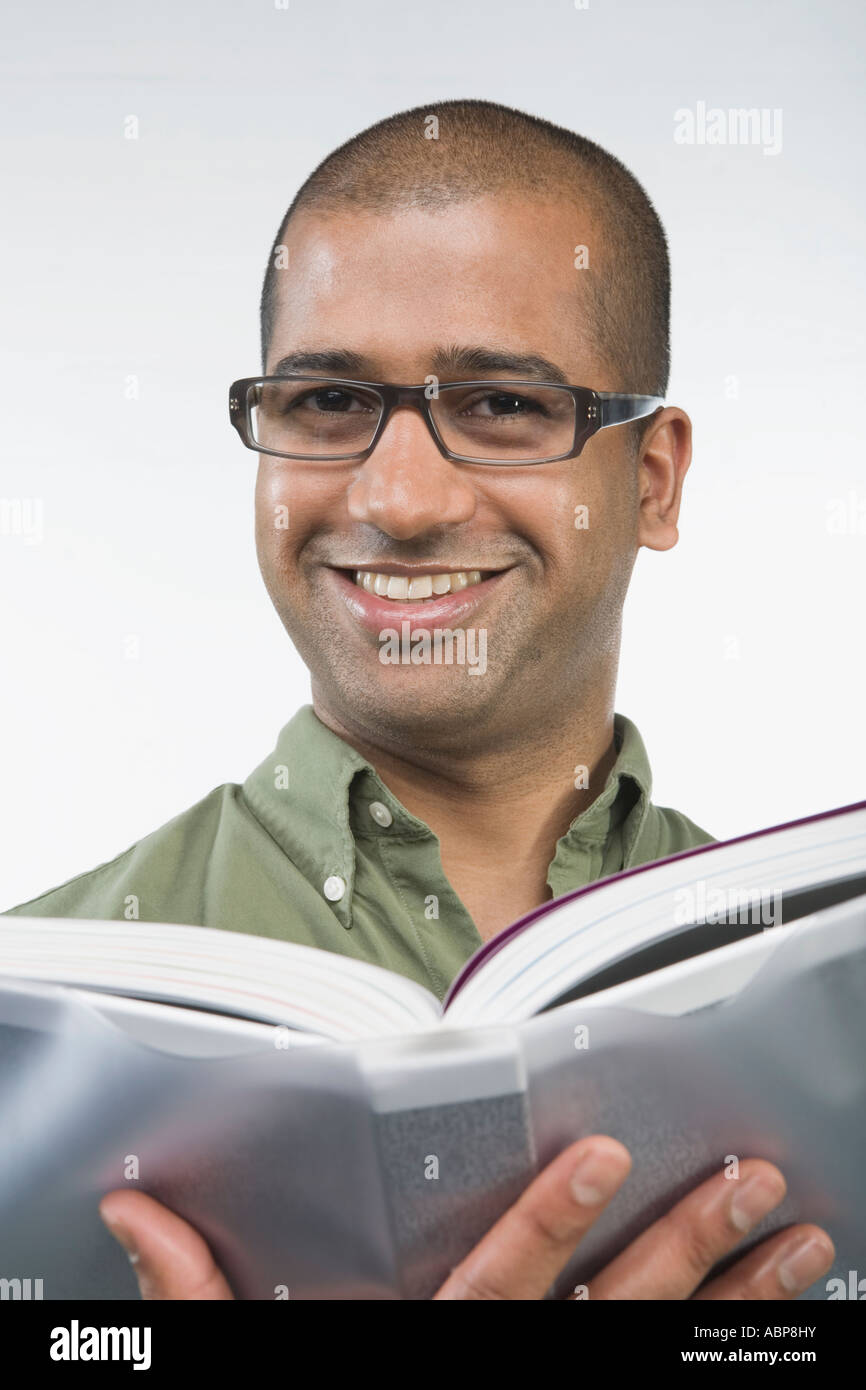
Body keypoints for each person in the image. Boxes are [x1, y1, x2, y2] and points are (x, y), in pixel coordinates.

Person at [4, 99, 835, 1300]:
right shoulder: (28, 1026)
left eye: (500, 405)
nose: (397, 498)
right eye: (327, 404)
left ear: (651, 482)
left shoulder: (829, 990)